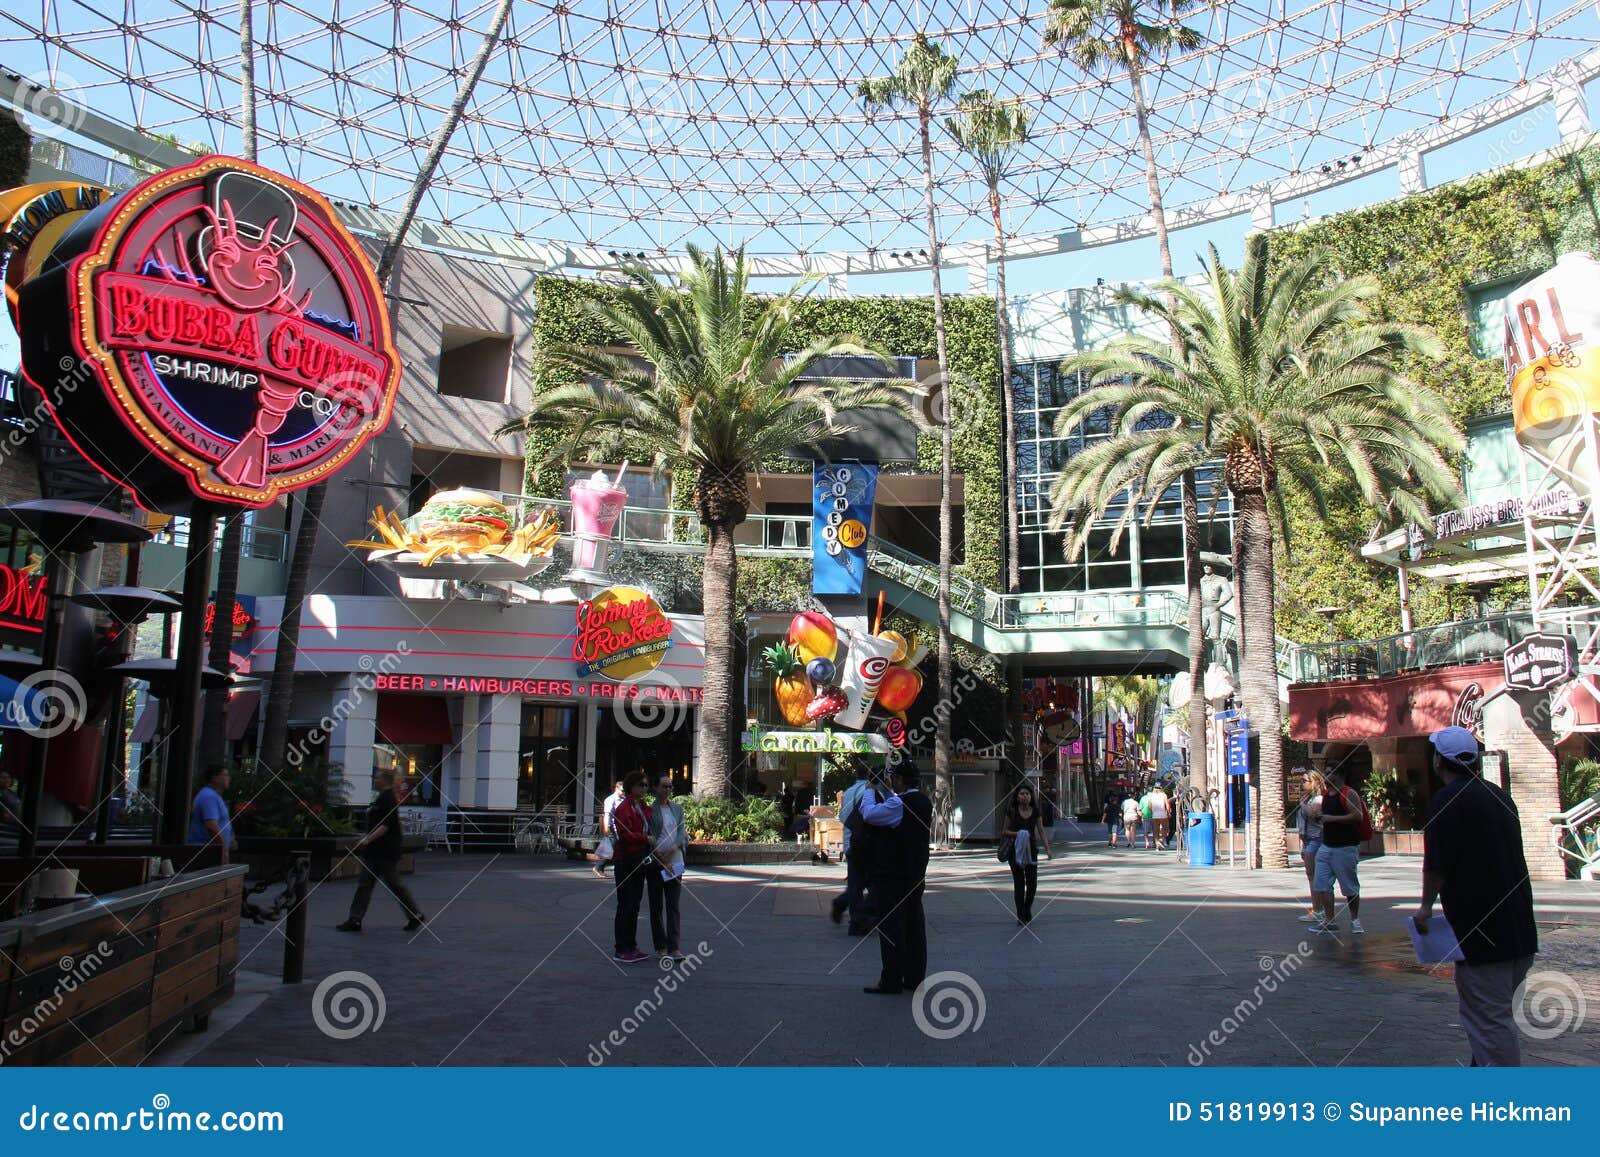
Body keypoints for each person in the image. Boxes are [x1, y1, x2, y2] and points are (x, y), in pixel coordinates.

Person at [1414, 726, 1539, 1066]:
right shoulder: (1498, 796)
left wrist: (1425, 907)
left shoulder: (1446, 801)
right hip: (1519, 930)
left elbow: (1436, 865)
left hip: (1483, 937)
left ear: (1439, 760)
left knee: (1489, 1022)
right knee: (1493, 1015)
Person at [860, 765, 932, 995]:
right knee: (914, 927)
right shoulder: (922, 801)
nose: (891, 782)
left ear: (900, 779)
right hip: (916, 874)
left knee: (892, 928)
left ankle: (891, 979)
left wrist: (870, 789)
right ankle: (914, 977)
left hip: (893, 875)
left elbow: (869, 814)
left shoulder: (899, 805)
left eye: (893, 778)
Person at [338, 769, 426, 933]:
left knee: (392, 884)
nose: (375, 780)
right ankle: (355, 919)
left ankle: (415, 914)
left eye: (377, 778)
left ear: (385, 780)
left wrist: (367, 839)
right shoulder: (382, 798)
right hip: (376, 850)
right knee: (367, 884)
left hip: (384, 851)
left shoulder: (388, 799)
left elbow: (386, 825)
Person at [1312, 763, 1365, 934]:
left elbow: (1358, 816)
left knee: (1349, 886)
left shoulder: (1348, 793)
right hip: (1327, 846)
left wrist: (1332, 819)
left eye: (1329, 773)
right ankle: (1329, 920)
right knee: (1322, 884)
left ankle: (1355, 919)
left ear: (1339, 774)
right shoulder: (1326, 795)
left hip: (1346, 847)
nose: (1326, 776)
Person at [610, 770, 654, 964]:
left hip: (638, 858)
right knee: (625, 904)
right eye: (640, 785)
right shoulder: (624, 808)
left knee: (635, 904)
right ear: (631, 787)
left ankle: (631, 945)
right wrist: (645, 838)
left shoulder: (641, 807)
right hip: (625, 859)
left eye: (646, 785)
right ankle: (621, 948)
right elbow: (625, 835)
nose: (644, 788)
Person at [830, 759, 876, 934]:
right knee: (871, 883)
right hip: (863, 844)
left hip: (851, 842)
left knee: (857, 882)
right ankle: (859, 919)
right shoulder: (869, 791)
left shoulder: (848, 791)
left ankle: (849, 909)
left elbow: (843, 817)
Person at [646, 772, 688, 961]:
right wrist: (659, 854)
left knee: (673, 905)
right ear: (655, 788)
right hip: (656, 861)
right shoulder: (649, 810)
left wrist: (673, 849)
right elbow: (649, 834)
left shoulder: (677, 809)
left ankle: (675, 946)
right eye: (664, 786)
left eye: (670, 786)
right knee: (656, 905)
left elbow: (682, 833)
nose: (668, 789)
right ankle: (661, 946)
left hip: (675, 860)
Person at [1000, 783, 1050, 924]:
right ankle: (1020, 914)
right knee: (1019, 883)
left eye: (1027, 794)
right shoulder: (1012, 811)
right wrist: (1019, 834)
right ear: (1017, 797)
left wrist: (1047, 849)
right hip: (1014, 851)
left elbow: (1041, 830)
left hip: (1031, 850)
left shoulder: (1035, 811)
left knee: (1032, 883)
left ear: (1031, 796)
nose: (1025, 796)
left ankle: (1027, 908)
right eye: (1022, 794)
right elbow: (1004, 831)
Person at [186, 765, 238, 864]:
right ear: (214, 778)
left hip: (211, 850)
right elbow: (211, 825)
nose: (228, 778)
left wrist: (230, 840)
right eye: (225, 775)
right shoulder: (209, 796)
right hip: (207, 852)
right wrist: (223, 849)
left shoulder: (214, 796)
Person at [1295, 771, 1327, 922]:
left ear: (1313, 782)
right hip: (1309, 840)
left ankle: (1318, 910)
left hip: (1316, 839)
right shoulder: (1308, 798)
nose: (1302, 784)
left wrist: (1302, 804)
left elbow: (1314, 814)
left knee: (1314, 876)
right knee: (1311, 875)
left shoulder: (1318, 799)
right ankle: (1318, 909)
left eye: (1304, 781)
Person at [596, 778, 625, 877]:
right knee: (611, 848)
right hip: (613, 828)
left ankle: (601, 867)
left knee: (616, 848)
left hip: (621, 828)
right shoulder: (610, 800)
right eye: (622, 790)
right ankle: (599, 867)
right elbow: (607, 815)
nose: (623, 792)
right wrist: (606, 829)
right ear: (616, 788)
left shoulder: (624, 799)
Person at [1148, 781, 1171, 849]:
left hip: (1154, 815)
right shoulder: (1163, 795)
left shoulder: (1151, 795)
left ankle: (1157, 843)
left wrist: (1153, 811)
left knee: (1156, 830)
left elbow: (1149, 806)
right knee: (1166, 828)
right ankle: (1162, 839)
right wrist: (1168, 812)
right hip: (1163, 814)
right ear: (1161, 788)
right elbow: (1167, 805)